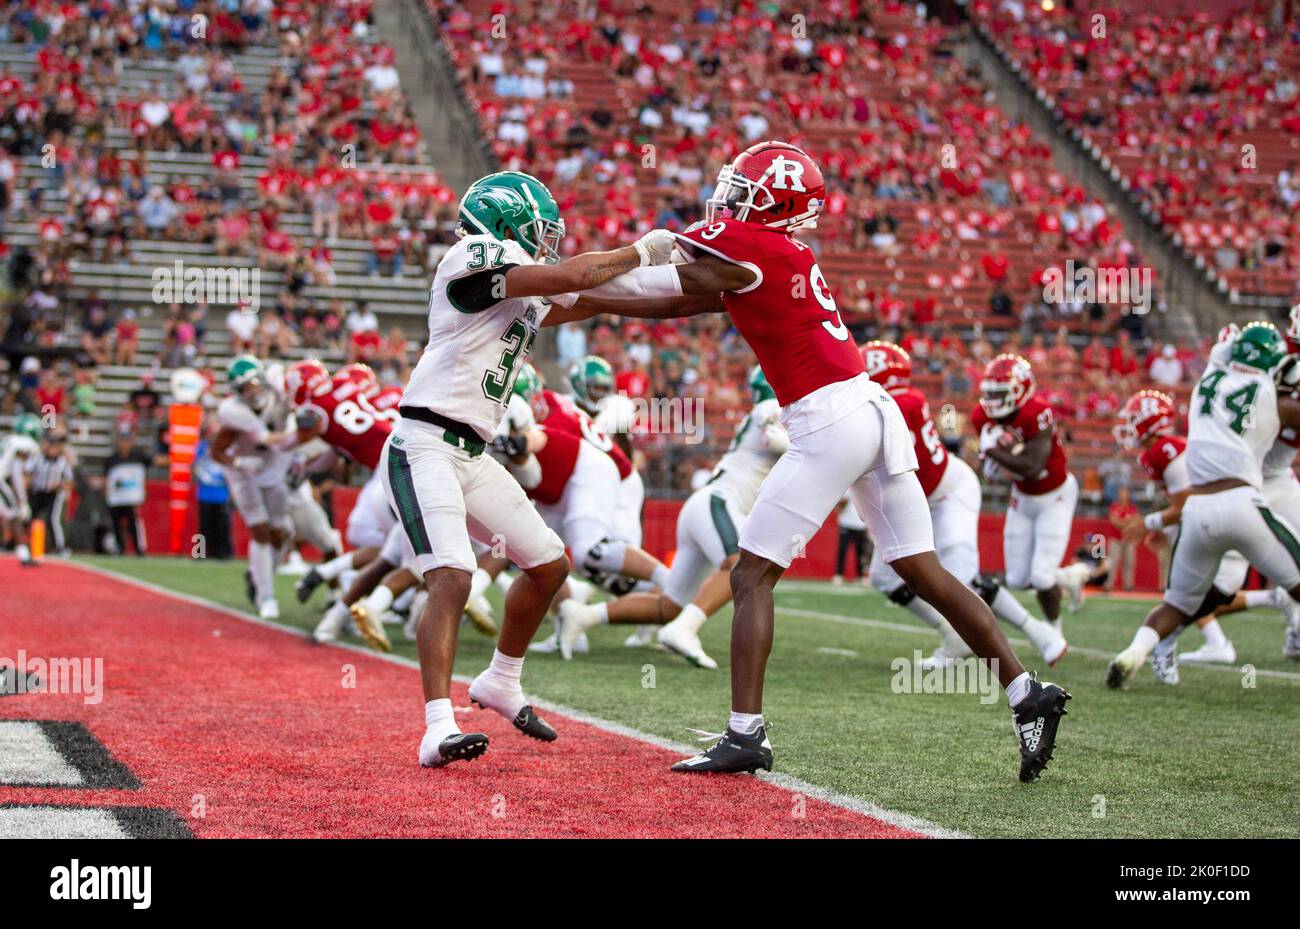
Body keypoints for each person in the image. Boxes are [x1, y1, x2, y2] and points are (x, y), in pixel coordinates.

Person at [568, 142, 1068, 781]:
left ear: (772, 198)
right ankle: (1028, 693)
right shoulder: (775, 254)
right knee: (926, 570)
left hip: (828, 421)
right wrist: (588, 303)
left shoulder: (751, 244)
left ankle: (745, 736)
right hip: (869, 411)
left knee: (750, 577)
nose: (732, 197)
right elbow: (678, 299)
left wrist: (565, 289)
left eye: (745, 187)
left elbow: (665, 278)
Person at [378, 169, 701, 767]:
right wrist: (639, 248)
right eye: (536, 228)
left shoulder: (520, 290)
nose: (545, 239)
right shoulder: (468, 258)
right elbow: (576, 274)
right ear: (503, 222)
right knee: (452, 577)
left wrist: (716, 289)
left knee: (550, 565)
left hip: (471, 453)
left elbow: (615, 299)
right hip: (423, 443)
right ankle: (436, 728)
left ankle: (500, 680)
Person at [1107, 322, 1300, 687]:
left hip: (1197, 513)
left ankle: (1133, 652)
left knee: (1176, 605)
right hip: (1243, 500)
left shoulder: (1206, 382)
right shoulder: (1269, 392)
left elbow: (1222, 352)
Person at [973, 354, 1085, 629]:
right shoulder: (981, 415)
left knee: (1042, 577)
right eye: (992, 393)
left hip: (1054, 495)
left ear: (1021, 390)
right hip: (1022, 497)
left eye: (1001, 393)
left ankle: (1054, 630)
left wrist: (993, 452)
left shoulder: (1036, 411)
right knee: (1017, 580)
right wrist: (992, 463)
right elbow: (999, 468)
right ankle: (1070, 576)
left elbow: (1033, 466)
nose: (994, 401)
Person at [26, 428, 76, 557]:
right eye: (51, 445)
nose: (53, 449)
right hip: (38, 492)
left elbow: (68, 481)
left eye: (56, 446)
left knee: (54, 519)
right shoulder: (38, 457)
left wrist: (59, 486)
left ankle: (60, 547)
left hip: (55, 494)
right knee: (33, 518)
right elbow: (27, 473)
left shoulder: (63, 462)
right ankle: (32, 546)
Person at [102, 429, 150, 556]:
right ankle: (120, 549)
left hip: (132, 498)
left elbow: (154, 462)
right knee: (117, 525)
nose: (124, 444)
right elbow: (106, 478)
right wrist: (107, 494)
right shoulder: (111, 459)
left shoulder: (138, 456)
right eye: (122, 441)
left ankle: (139, 549)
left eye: (126, 441)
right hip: (116, 498)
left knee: (134, 524)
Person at [194, 425, 233, 560]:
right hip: (205, 493)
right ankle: (200, 553)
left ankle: (223, 553)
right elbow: (197, 467)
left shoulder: (228, 448)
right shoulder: (201, 448)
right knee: (204, 526)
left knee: (222, 527)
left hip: (222, 494)